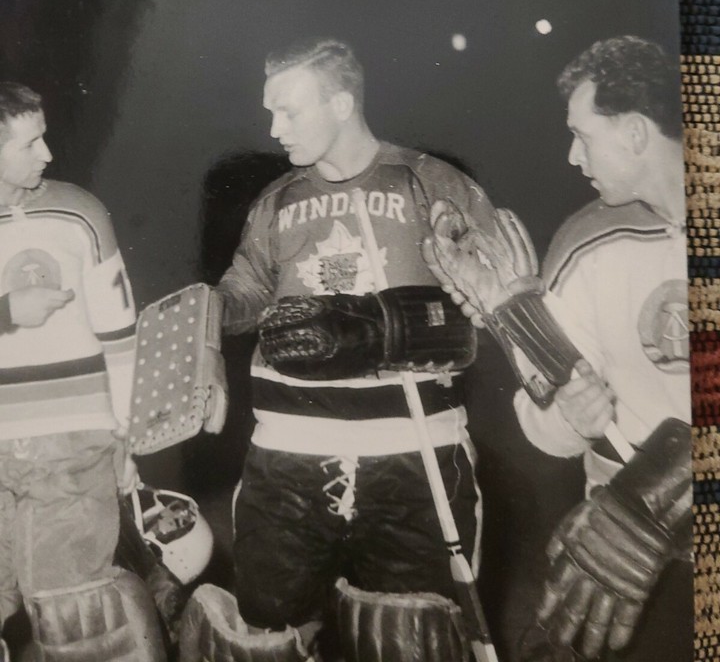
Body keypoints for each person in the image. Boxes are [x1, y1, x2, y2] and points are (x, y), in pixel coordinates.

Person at [185, 37, 498, 662]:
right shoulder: (276, 202)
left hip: (411, 452)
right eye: (269, 111)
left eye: (289, 111)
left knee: (410, 640)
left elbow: (497, 298)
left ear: (341, 102)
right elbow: (243, 290)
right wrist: (202, 317)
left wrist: (467, 299)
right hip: (288, 455)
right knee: (267, 638)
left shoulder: (430, 184)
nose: (273, 128)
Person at [424, 36, 692, 661]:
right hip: (622, 552)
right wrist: (565, 416)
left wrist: (658, 497)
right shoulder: (584, 243)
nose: (573, 155)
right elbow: (549, 426)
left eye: (582, 134)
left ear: (632, 133)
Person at [0, 82, 165, 662]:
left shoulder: (80, 212)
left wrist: (128, 436)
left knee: (76, 618)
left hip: (74, 443)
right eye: (30, 142)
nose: (47, 154)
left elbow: (122, 339)